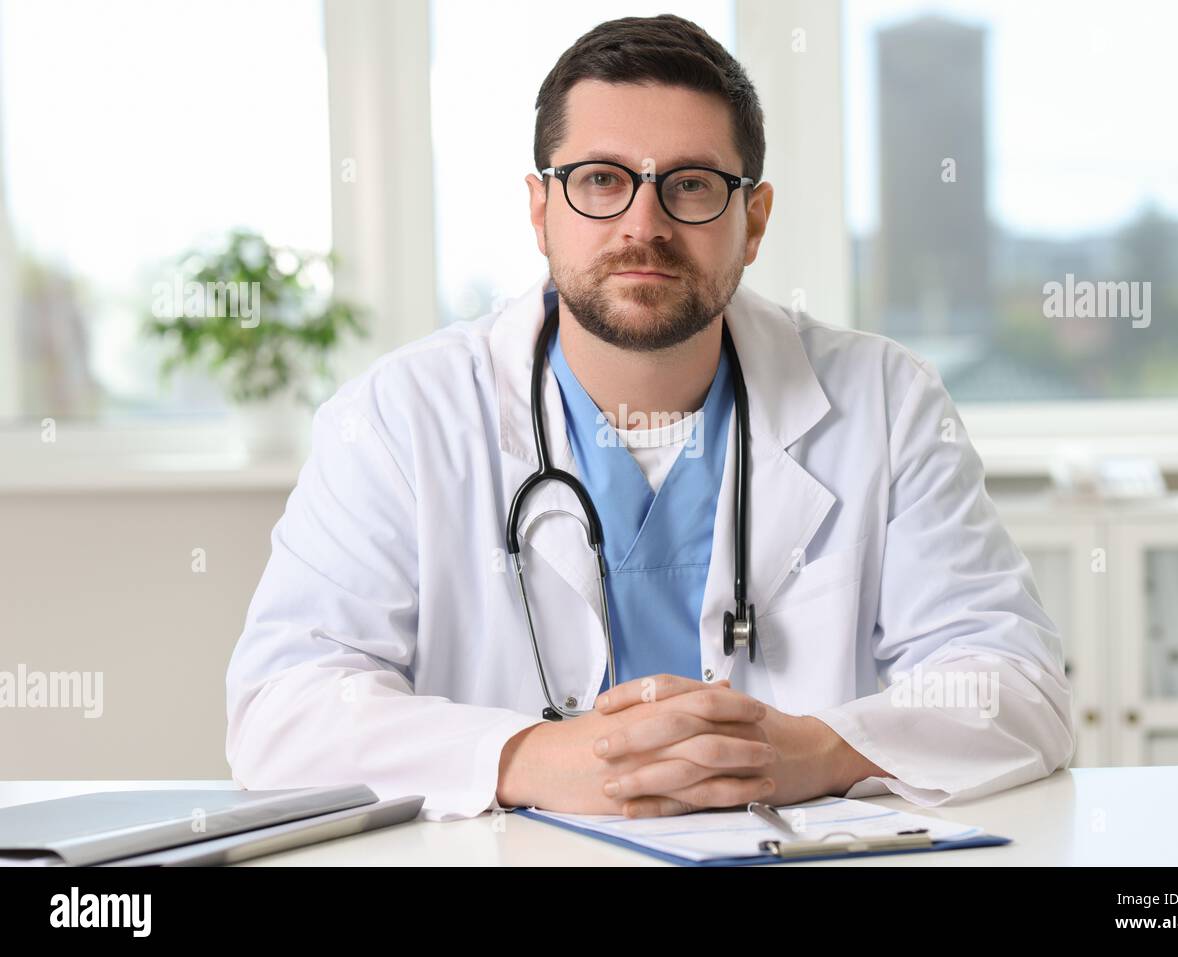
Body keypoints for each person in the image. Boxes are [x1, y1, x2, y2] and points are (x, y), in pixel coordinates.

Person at [225, 14, 1074, 822]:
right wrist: (530, 757)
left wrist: (814, 750)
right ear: (539, 209)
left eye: (692, 186)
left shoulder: (886, 401)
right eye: (601, 180)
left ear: (754, 220)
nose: (644, 224)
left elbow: (1016, 684)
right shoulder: (399, 418)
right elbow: (281, 709)